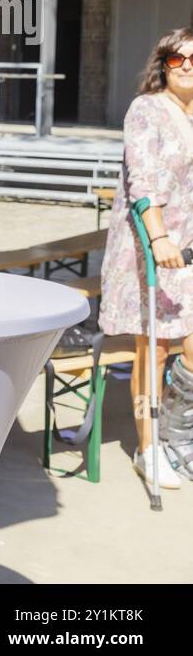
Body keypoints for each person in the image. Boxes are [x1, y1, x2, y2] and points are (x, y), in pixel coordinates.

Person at [100, 28, 193, 489]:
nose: (188, 65)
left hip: (191, 246)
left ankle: (179, 433)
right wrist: (158, 238)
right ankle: (149, 445)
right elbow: (142, 179)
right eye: (178, 59)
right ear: (164, 64)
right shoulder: (146, 110)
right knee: (153, 348)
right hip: (151, 243)